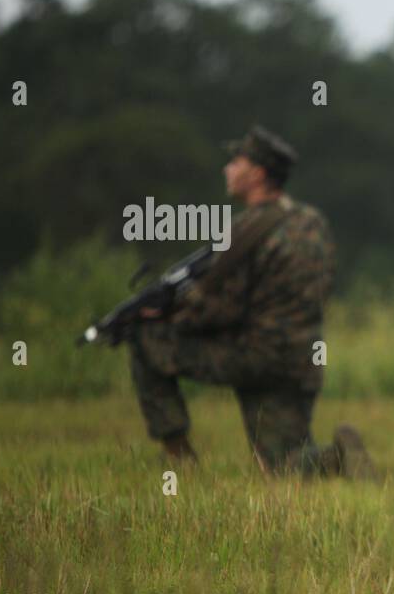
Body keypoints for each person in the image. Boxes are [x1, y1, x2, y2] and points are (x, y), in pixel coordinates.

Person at [127, 125, 374, 478]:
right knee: (284, 466)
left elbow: (220, 309)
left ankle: (179, 460)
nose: (227, 169)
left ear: (257, 174)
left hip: (256, 358)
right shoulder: (311, 222)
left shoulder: (246, 232)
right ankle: (337, 456)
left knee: (144, 337)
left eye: (236, 161)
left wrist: (167, 315)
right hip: (302, 360)